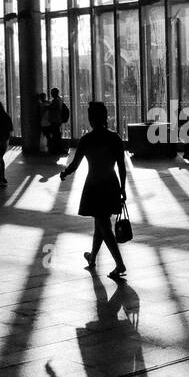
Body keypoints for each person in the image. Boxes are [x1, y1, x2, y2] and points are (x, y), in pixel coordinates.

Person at [60, 101, 127, 279]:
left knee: (103, 224)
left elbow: (74, 164)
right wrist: (123, 188)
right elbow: (121, 167)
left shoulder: (87, 140)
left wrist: (64, 173)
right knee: (100, 223)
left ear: (90, 119)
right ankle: (92, 257)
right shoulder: (115, 138)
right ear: (106, 117)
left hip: (94, 185)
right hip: (111, 184)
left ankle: (119, 264)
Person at [47, 87, 69, 155]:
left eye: (52, 93)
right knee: (57, 134)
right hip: (58, 120)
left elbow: (51, 108)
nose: (51, 94)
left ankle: (58, 149)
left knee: (55, 135)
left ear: (54, 93)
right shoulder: (60, 100)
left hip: (55, 120)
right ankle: (59, 148)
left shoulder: (55, 101)